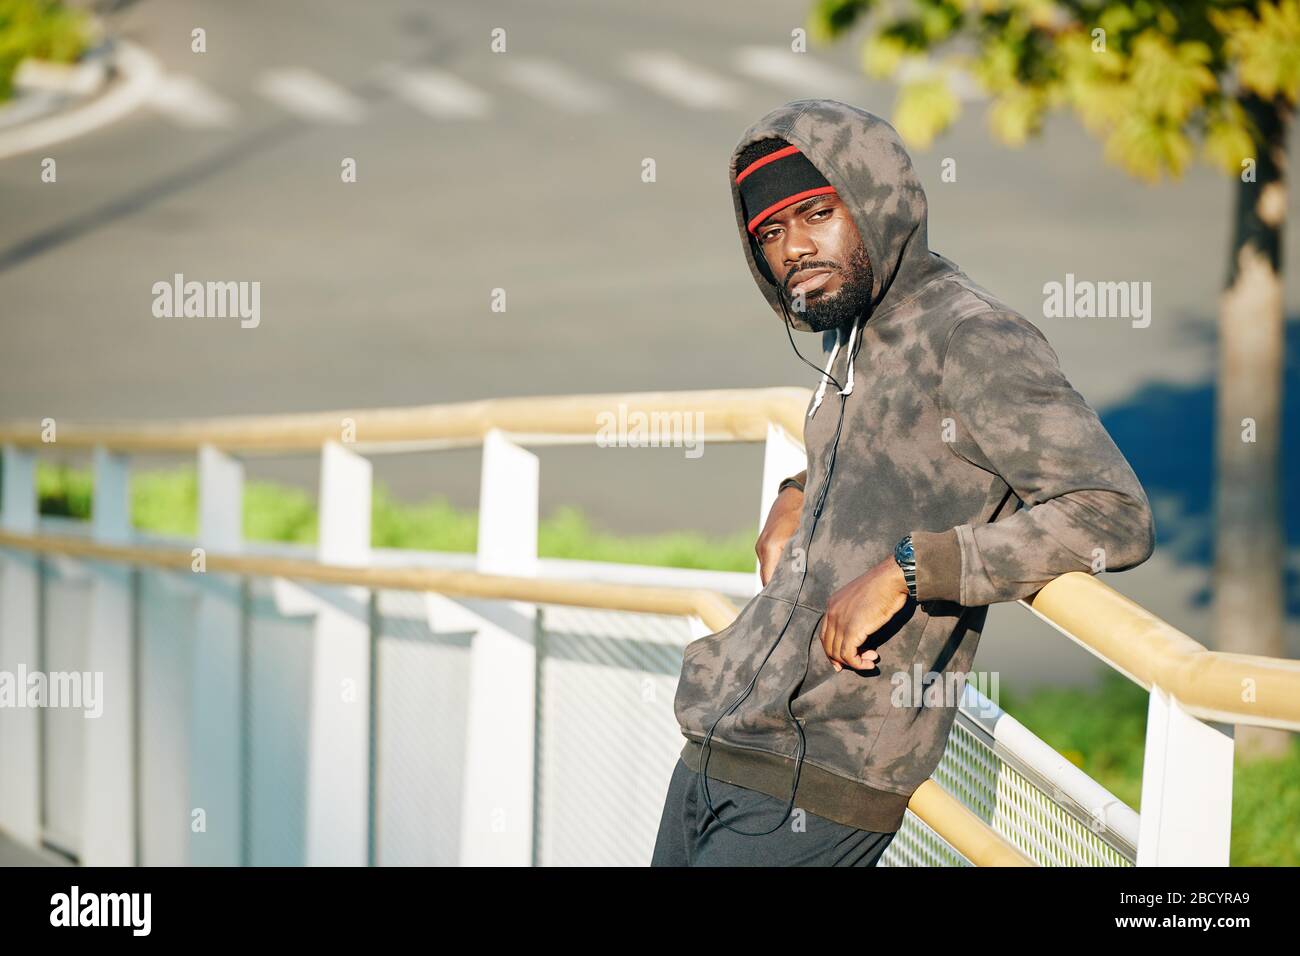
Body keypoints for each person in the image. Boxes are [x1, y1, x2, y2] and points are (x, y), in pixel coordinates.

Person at [650, 99, 1155, 867]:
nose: (793, 248)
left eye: (816, 213)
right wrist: (796, 490)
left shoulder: (972, 336)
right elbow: (881, 453)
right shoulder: (853, 327)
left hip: (825, 773)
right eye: (771, 233)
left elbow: (1111, 515)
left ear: (875, 200)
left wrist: (908, 571)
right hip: (726, 735)